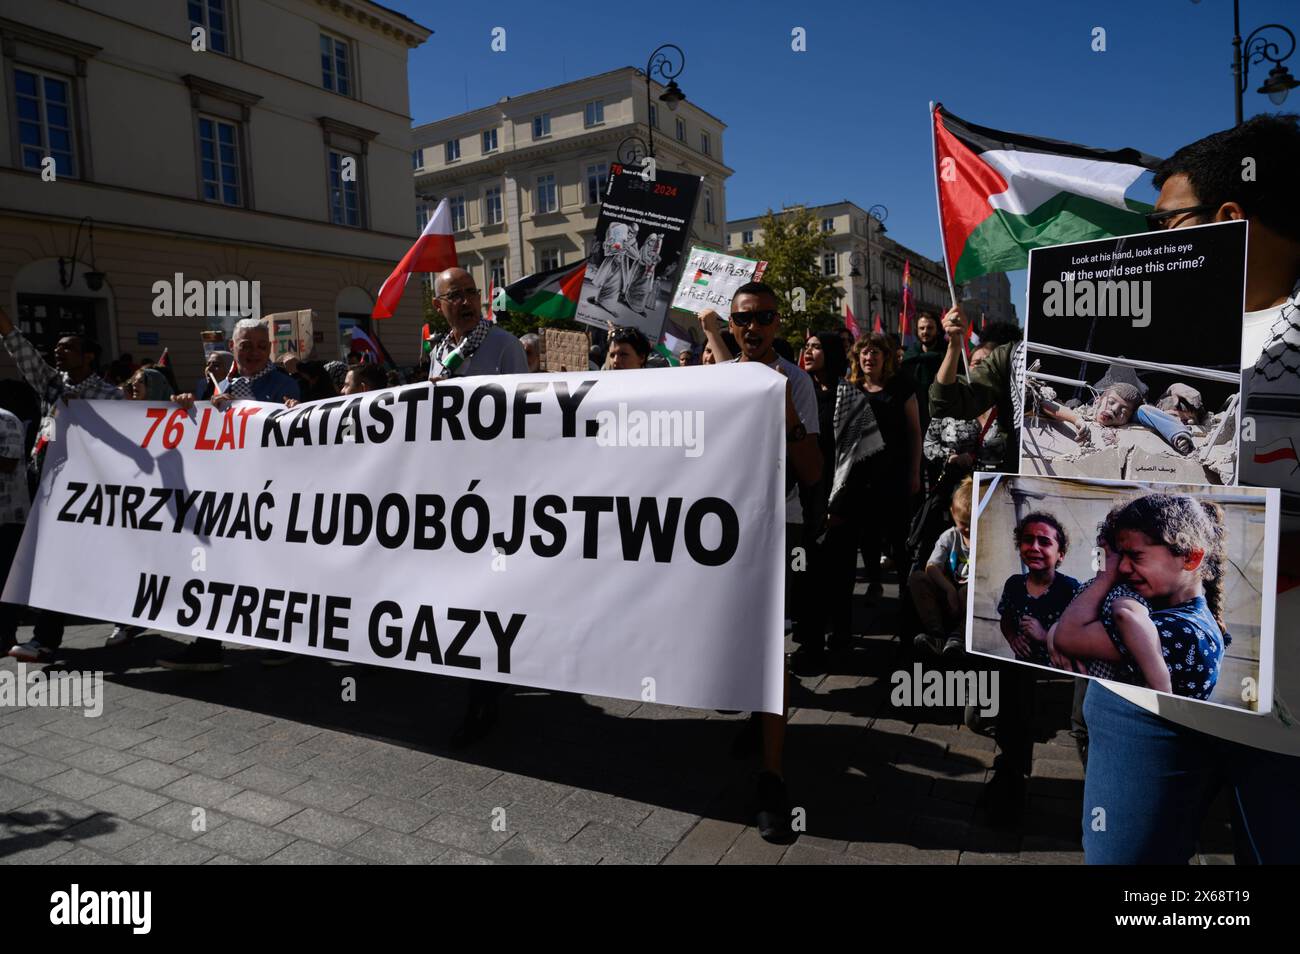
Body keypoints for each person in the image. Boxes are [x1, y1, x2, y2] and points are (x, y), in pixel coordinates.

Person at [1075, 114, 1300, 863]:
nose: (1150, 239)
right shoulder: (1136, 335)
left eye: (1165, 220)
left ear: (1228, 219)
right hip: (1142, 700)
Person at [699, 282, 822, 843]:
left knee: (772, 646)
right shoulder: (718, 376)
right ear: (733, 324)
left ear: (777, 323)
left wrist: (786, 413)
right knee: (733, 635)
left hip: (779, 522)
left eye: (765, 317)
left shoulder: (796, 382)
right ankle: (755, 717)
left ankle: (772, 778)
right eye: (743, 319)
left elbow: (815, 471)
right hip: (721, 527)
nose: (754, 327)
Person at [159, 319, 300, 671]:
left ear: (269, 349)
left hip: (267, 494)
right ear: (233, 348)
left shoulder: (285, 384)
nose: (252, 352)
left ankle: (282, 638)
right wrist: (187, 403)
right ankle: (207, 644)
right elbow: (196, 427)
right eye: (245, 345)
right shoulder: (217, 385)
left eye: (259, 346)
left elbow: (301, 435)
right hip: (224, 493)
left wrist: (296, 411)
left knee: (268, 568)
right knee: (213, 568)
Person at [0, 305, 123, 663]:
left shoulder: (110, 395)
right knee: (54, 561)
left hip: (88, 490)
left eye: (67, 347)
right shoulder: (51, 384)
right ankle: (44, 637)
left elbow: (125, 439)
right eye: (57, 348)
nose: (58, 352)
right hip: (48, 485)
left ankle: (119, 621)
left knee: (77, 560)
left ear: (88, 356)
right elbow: (20, 349)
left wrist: (85, 411)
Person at [1052, 495, 1229, 701]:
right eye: (1119, 557)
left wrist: (1104, 578)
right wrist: (1053, 632)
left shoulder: (1178, 632)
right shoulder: (1168, 611)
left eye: (1135, 556)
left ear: (1189, 557)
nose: (1122, 567)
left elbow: (1069, 636)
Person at [850, 333, 922, 600]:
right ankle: (874, 581)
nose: (869, 358)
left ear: (885, 357)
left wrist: (915, 472)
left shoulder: (901, 387)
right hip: (863, 476)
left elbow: (915, 432)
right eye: (864, 353)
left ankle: (906, 587)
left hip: (896, 473)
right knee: (868, 534)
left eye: (875, 353)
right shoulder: (852, 387)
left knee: (900, 534)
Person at [996, 512, 1081, 670]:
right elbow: (1006, 619)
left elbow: (1080, 640)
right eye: (1028, 540)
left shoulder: (1071, 589)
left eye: (1044, 542)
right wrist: (1013, 638)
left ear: (1060, 555)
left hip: (1057, 675)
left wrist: (1044, 636)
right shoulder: (1013, 585)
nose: (1034, 547)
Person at [908, 476, 972, 658]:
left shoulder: (985, 540)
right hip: (948, 594)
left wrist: (964, 590)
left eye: (972, 524)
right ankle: (937, 635)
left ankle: (960, 636)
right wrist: (950, 589)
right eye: (963, 524)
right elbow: (932, 566)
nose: (967, 530)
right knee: (917, 578)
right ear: (953, 513)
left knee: (973, 591)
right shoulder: (949, 536)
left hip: (972, 600)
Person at [429, 268, 529, 378]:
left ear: (479, 297)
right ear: (438, 305)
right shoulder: (438, 353)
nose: (466, 302)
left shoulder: (507, 345)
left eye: (471, 292)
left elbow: (520, 394)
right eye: (455, 295)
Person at [902, 311, 946, 427]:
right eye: (921, 328)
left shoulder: (947, 353)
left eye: (930, 328)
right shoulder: (910, 354)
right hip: (917, 412)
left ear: (937, 330)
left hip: (942, 412)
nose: (925, 332)